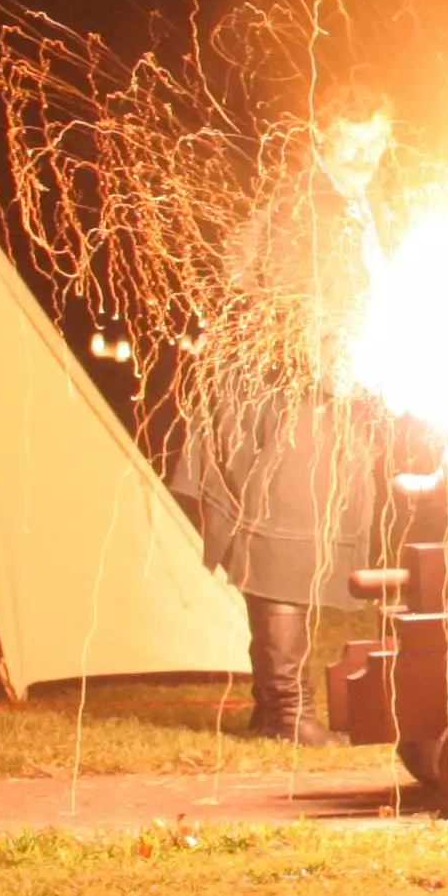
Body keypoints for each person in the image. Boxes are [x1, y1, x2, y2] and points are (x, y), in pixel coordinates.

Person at [182, 92, 393, 744]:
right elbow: (280, 296)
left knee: (297, 546)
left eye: (376, 141)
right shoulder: (307, 210)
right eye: (349, 140)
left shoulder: (362, 208)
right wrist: (327, 358)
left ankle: (273, 709)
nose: (364, 155)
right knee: (285, 550)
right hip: (289, 398)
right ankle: (288, 712)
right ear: (318, 138)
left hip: (327, 396)